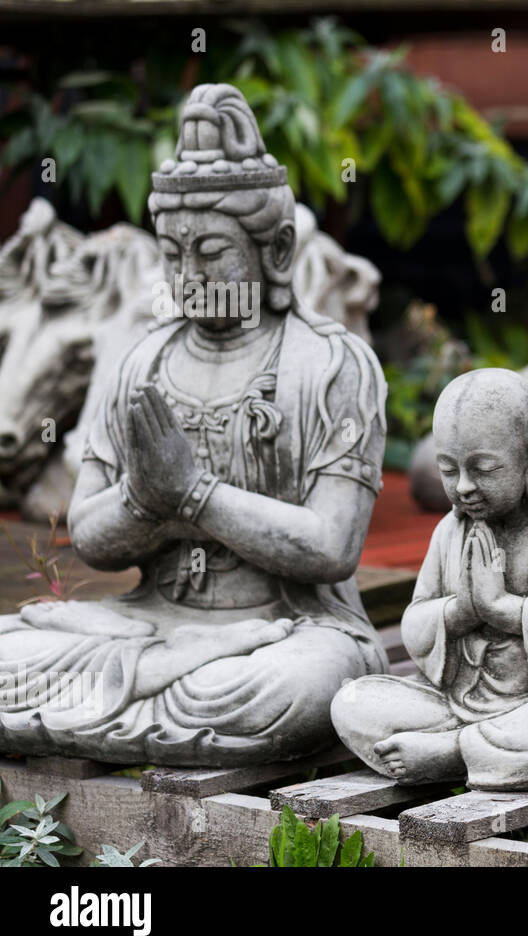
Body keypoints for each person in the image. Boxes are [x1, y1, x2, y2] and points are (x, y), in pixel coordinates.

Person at [0, 84, 388, 765]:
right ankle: (136, 720)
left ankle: (106, 721)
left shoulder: (330, 364)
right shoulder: (141, 360)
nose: (189, 274)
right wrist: (141, 500)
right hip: (150, 621)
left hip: (283, 631)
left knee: (302, 688)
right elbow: (91, 538)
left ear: (273, 252)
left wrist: (193, 496)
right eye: (172, 254)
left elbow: (332, 547)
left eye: (210, 250)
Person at [330, 369, 528, 789]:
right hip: (453, 703)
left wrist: (505, 609)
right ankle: (477, 751)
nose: (464, 487)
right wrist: (460, 612)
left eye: (483, 468)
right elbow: (415, 624)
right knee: (351, 701)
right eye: (448, 470)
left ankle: (451, 753)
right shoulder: (449, 532)